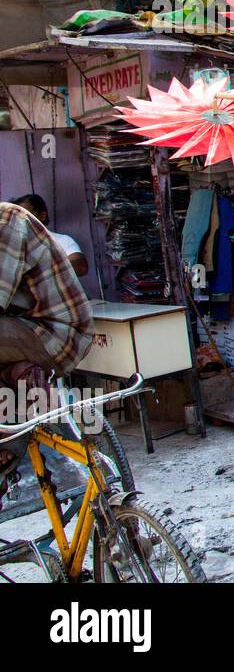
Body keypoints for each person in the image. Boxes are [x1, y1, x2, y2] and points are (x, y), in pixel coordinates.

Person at [0, 201, 93, 492]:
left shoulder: (7, 221)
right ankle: (17, 378)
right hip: (24, 331)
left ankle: (8, 440)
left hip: (56, 335)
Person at [11, 194, 89, 277]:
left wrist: (40, 272)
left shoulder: (62, 240)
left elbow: (81, 268)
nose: (21, 221)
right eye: (17, 217)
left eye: (26, 216)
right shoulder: (13, 245)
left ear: (42, 216)